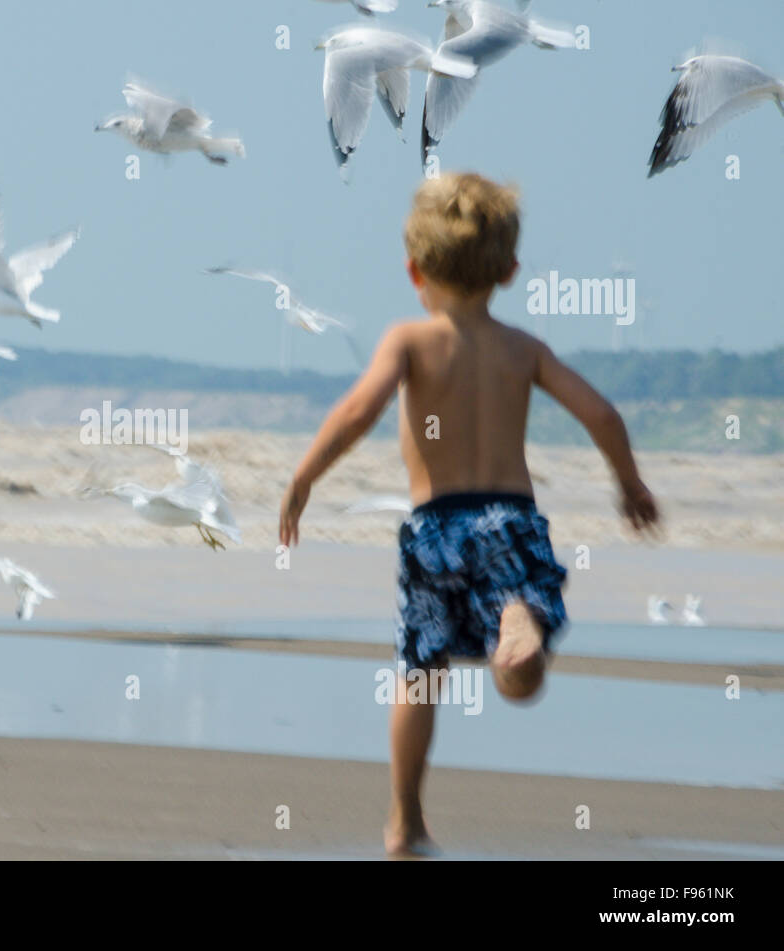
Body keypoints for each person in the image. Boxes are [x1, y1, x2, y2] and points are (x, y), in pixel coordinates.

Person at [277, 172, 661, 856]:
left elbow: (357, 411)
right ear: (510, 271)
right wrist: (629, 484)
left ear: (413, 269)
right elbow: (602, 412)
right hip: (506, 521)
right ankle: (516, 629)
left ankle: (404, 820)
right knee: (519, 655)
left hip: (431, 531)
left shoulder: (406, 341)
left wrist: (305, 475)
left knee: (420, 671)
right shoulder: (523, 350)